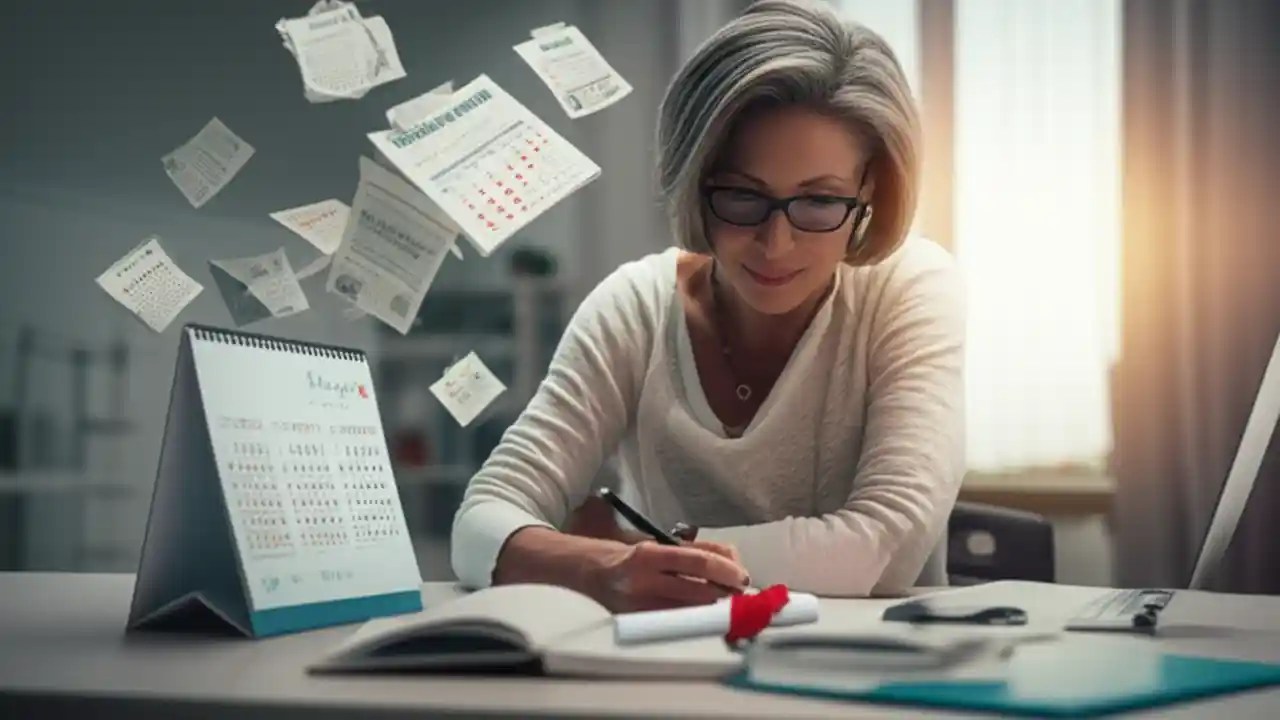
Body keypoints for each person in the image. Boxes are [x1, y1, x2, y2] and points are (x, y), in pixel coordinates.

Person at [451, 0, 965, 611]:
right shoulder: (635, 307)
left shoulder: (909, 285)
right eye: (742, 197)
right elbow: (481, 521)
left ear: (870, 190)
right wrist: (607, 569)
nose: (776, 245)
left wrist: (650, 548)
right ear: (695, 181)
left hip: (872, 683)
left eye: (820, 203)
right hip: (678, 674)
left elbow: (885, 548)